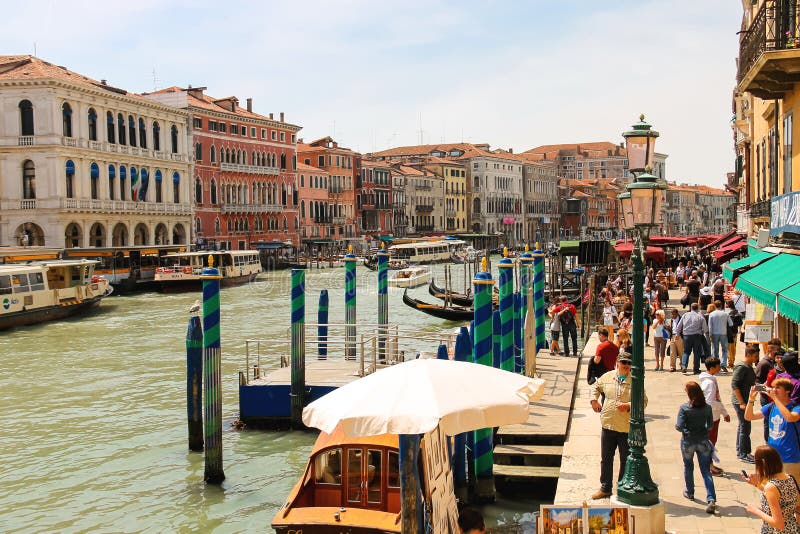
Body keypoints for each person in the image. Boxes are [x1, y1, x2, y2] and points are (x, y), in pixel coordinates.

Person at [590, 354, 644, 499]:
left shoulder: (635, 380)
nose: (626, 365)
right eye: (623, 362)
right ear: (617, 363)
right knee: (606, 459)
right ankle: (605, 487)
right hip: (608, 425)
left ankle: (622, 487)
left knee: (625, 459)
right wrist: (593, 400)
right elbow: (595, 386)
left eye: (628, 363)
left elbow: (643, 401)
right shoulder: (608, 376)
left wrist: (628, 405)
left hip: (625, 428)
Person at [745, 378, 800, 482]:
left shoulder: (796, 407)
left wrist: (775, 399)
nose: (773, 390)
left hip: (790, 459)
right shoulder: (771, 407)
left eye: (778, 388)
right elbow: (749, 416)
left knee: (792, 492)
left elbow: (790, 417)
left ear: (787, 391)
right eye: (773, 387)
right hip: (772, 458)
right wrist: (751, 399)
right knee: (771, 489)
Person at [676, 380, 717, 514]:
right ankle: (711, 498)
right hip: (703, 441)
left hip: (688, 441)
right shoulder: (707, 408)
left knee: (688, 466)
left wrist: (687, 431)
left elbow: (679, 426)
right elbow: (710, 425)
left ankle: (690, 491)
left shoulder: (684, 408)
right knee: (706, 470)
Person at [743, 445, 800, 533]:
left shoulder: (771, 487)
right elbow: (781, 498)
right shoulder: (789, 477)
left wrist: (755, 510)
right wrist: (756, 485)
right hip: (792, 529)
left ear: (763, 463)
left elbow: (778, 524)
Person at [699, 357, 730, 475]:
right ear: (712, 368)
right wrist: (724, 412)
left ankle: (709, 464)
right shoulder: (709, 383)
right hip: (712, 416)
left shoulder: (709, 380)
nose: (719, 368)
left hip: (713, 415)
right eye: (718, 366)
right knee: (710, 442)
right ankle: (708, 466)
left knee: (710, 442)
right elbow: (710, 402)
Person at [732, 345, 759, 463]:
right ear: (748, 355)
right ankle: (744, 453)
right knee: (745, 426)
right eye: (754, 356)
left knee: (743, 426)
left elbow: (751, 384)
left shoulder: (748, 366)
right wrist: (742, 402)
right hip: (741, 402)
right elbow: (735, 385)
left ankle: (741, 450)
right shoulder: (741, 367)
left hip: (746, 400)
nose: (756, 358)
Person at [676, 303, 709, 374]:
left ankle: (684, 366)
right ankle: (696, 369)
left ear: (691, 308)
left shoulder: (685, 315)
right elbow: (705, 329)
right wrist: (703, 332)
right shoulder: (700, 316)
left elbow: (679, 326)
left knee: (686, 351)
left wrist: (677, 334)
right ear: (698, 308)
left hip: (686, 336)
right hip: (697, 336)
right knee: (697, 353)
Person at [708, 300, 733, 372]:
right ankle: (723, 364)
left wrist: (710, 334)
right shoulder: (725, 313)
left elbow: (710, 326)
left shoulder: (712, 314)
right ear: (721, 305)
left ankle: (715, 365)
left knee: (715, 350)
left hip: (714, 333)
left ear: (714, 306)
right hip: (723, 333)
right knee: (725, 350)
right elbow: (731, 323)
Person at [726, 299, 743, 368]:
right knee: (733, 347)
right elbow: (740, 323)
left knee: (728, 347)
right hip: (734, 332)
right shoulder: (737, 313)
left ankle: (730, 361)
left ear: (727, 305)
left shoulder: (726, 313)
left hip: (727, 332)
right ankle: (732, 360)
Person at [668, 308, 683, 373]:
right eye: (672, 314)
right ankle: (672, 366)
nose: (673, 315)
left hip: (679, 336)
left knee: (681, 352)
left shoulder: (681, 319)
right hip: (673, 336)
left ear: (677, 314)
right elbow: (672, 328)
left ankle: (683, 365)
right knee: (672, 352)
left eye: (674, 314)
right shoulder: (671, 320)